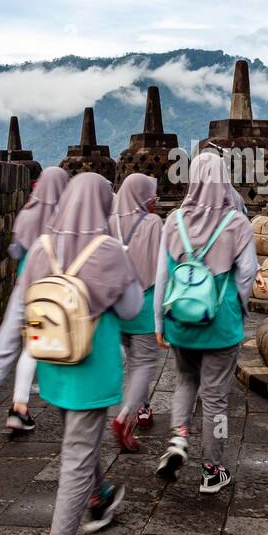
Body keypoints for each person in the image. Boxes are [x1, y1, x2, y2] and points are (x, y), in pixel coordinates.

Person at [0, 173, 143, 535]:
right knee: (76, 450)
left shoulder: (41, 248)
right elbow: (130, 309)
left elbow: (17, 312)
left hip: (53, 363)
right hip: (93, 366)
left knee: (79, 440)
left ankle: (101, 494)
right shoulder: (109, 250)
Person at [154, 152, 258, 494]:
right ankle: (212, 470)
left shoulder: (173, 221)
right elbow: (247, 273)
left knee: (184, 381)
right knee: (216, 399)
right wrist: (238, 309)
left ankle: (178, 440)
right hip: (221, 323)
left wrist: (159, 322)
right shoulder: (236, 223)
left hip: (181, 321)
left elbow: (162, 277)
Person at [0, 166, 68, 433]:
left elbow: (15, 250)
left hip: (25, 280)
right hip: (52, 286)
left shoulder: (28, 212)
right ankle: (26, 406)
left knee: (13, 329)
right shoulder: (66, 216)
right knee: (38, 343)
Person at [108, 173, 164, 452]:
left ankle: (142, 407)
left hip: (117, 303)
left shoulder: (110, 221)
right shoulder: (153, 222)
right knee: (144, 364)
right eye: (152, 195)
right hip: (144, 303)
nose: (154, 201)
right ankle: (124, 414)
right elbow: (161, 265)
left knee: (131, 359)